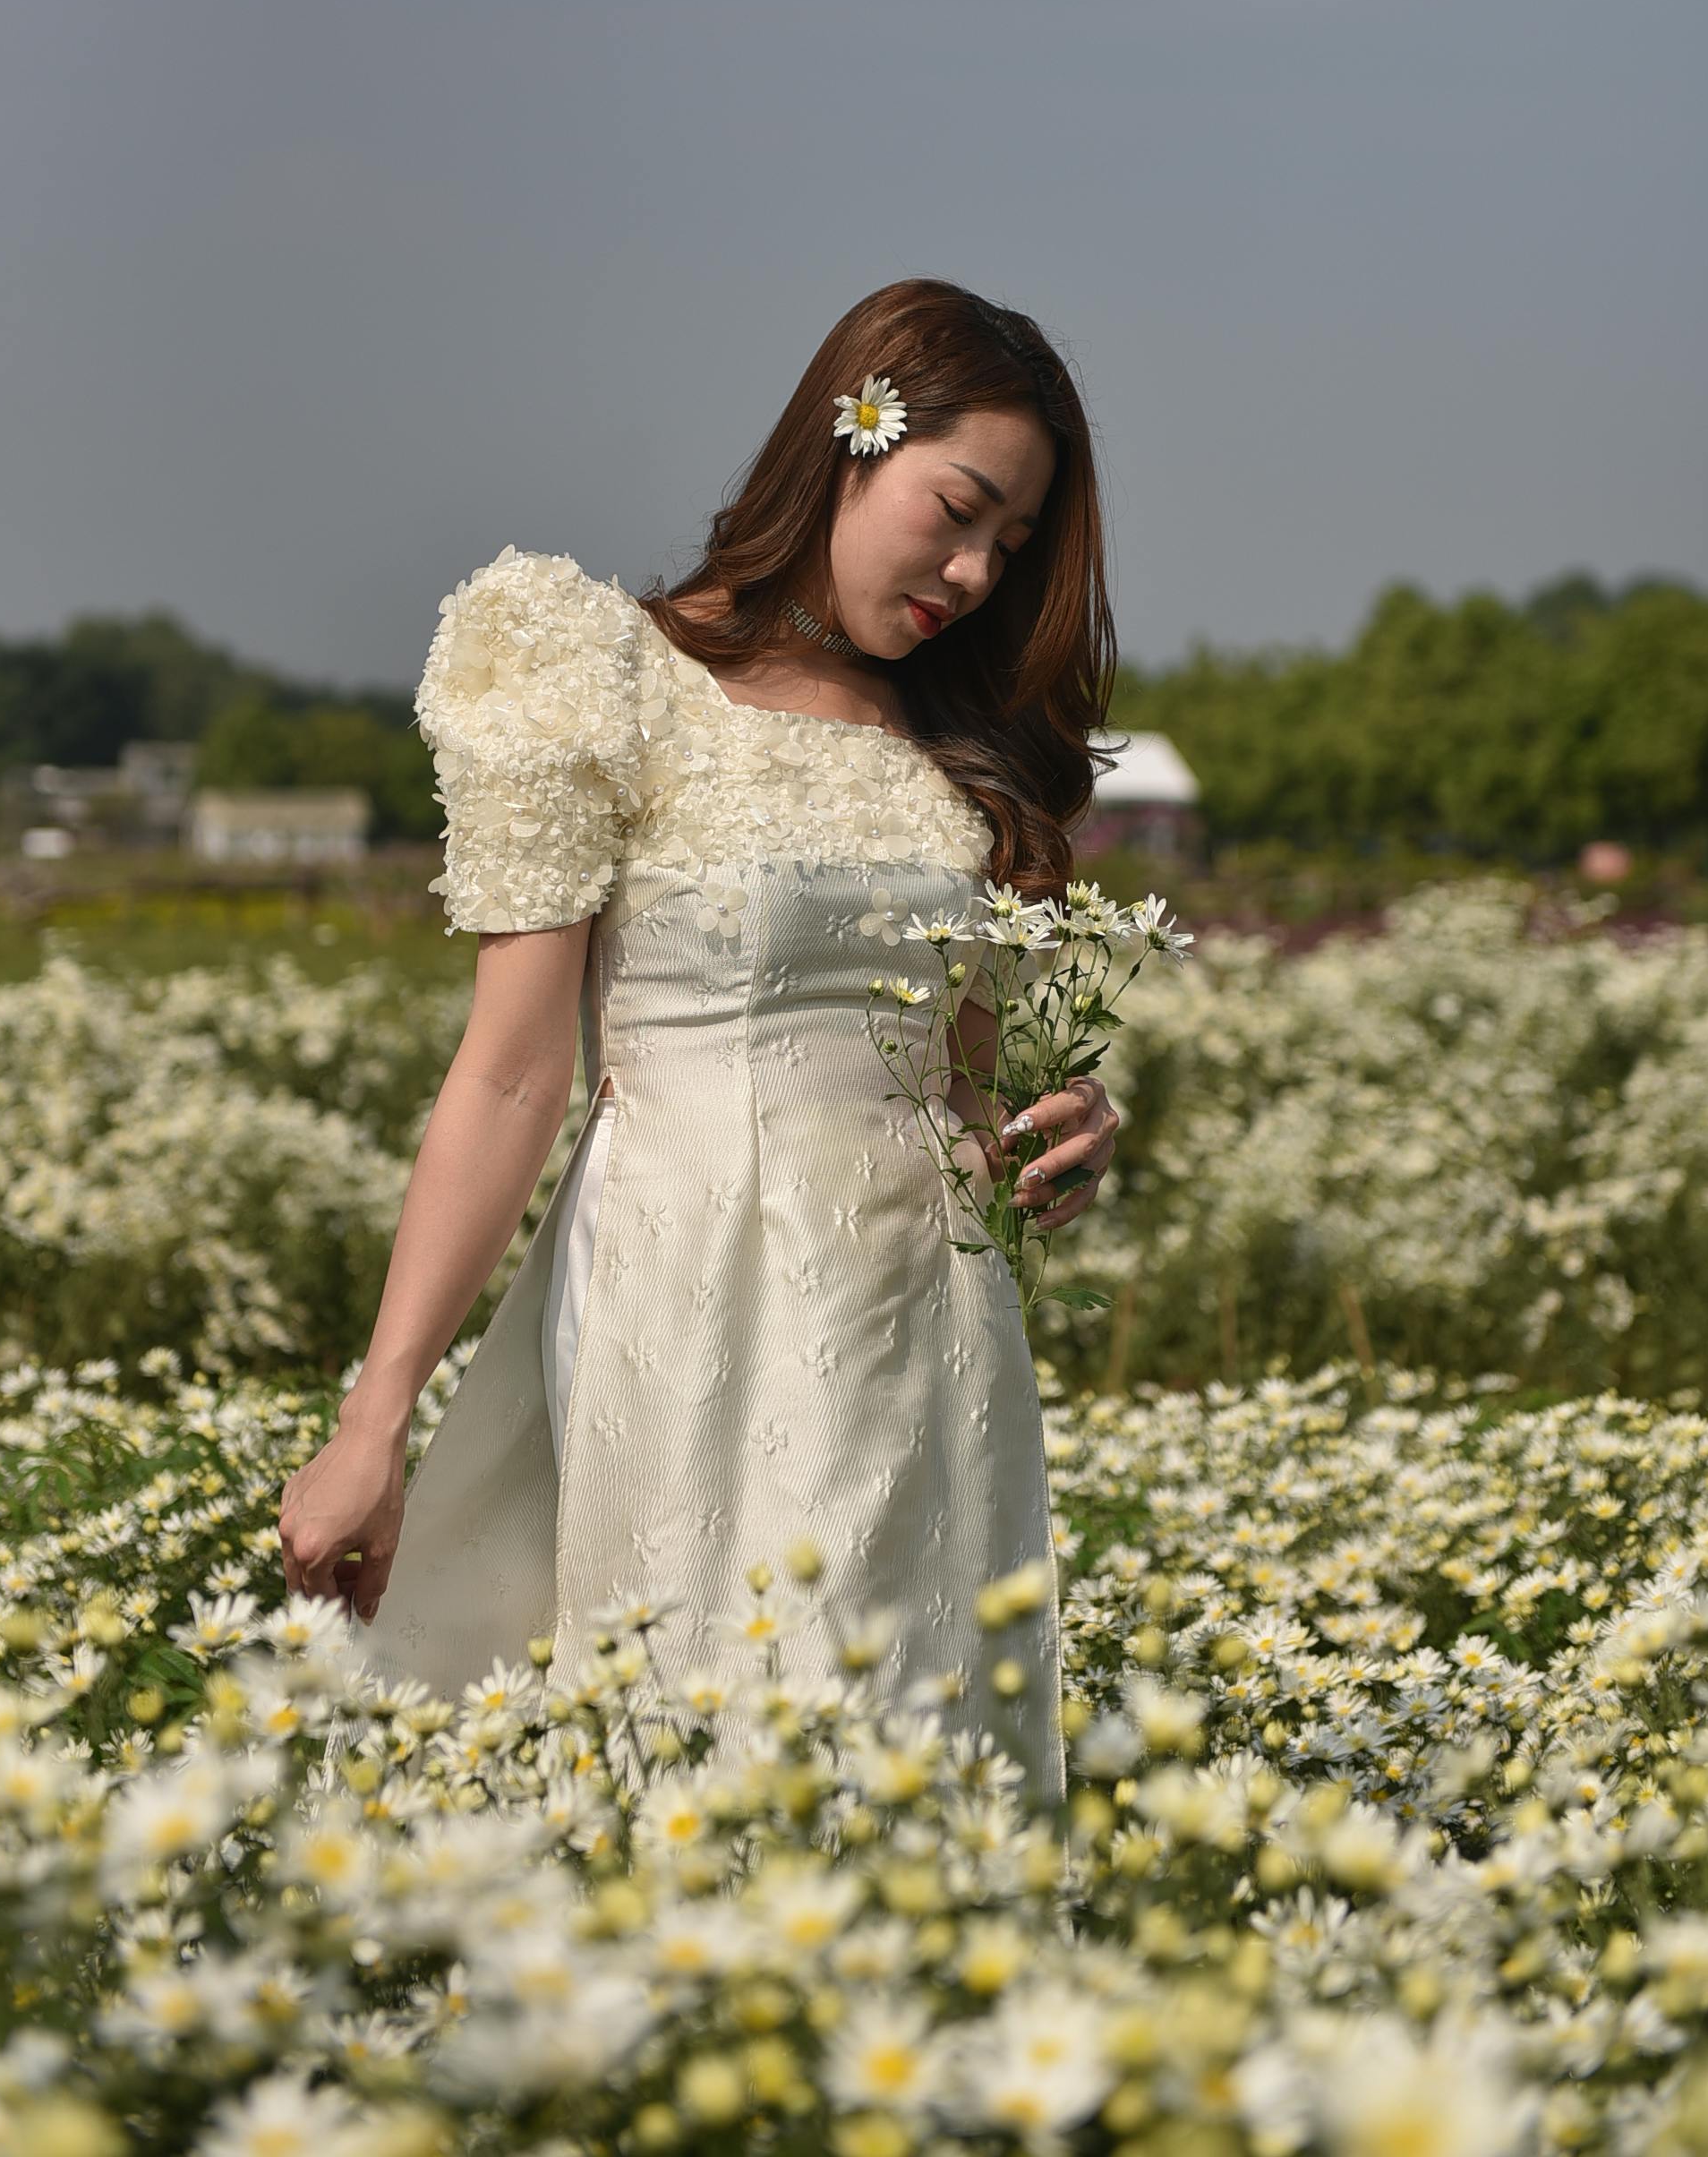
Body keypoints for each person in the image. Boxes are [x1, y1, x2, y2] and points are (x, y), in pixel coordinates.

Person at [280, 277, 1123, 1806]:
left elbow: (967, 1082)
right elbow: (514, 1071)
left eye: (1010, 548)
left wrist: (1068, 1124)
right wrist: (376, 1411)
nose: (975, 571)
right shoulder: (604, 677)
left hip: (927, 1328)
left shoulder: (961, 758)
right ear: (854, 430)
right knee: (705, 1735)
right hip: (686, 1293)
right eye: (960, 508)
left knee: (912, 1767)